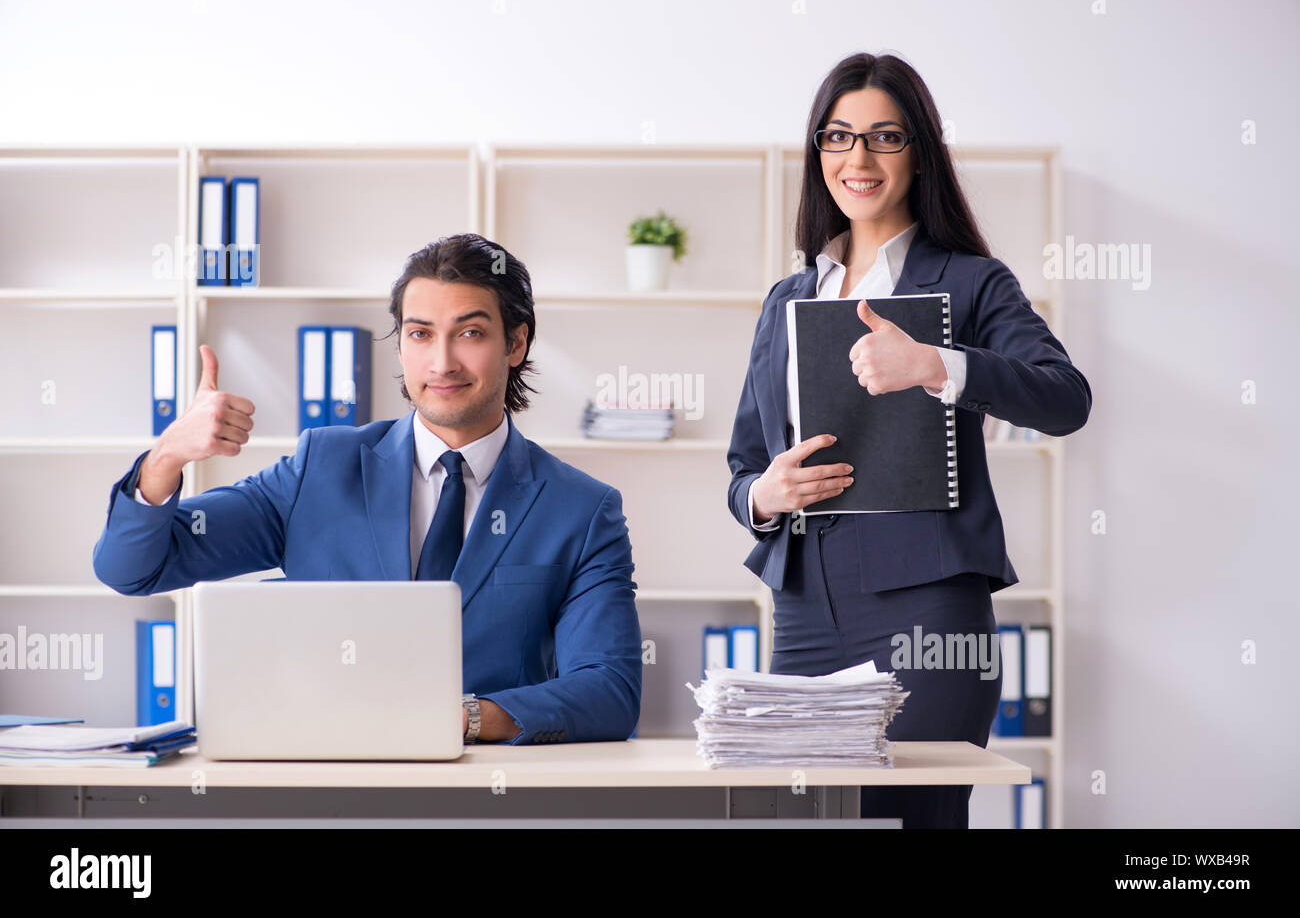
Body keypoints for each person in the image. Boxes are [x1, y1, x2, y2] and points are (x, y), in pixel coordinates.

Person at [726, 52, 1091, 827]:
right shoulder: (787, 298)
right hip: (802, 612)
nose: (857, 159)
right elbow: (744, 463)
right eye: (838, 137)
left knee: (916, 818)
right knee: (797, 817)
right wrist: (763, 495)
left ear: (918, 150)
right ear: (818, 151)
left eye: (884, 137)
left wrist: (936, 363)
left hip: (926, 613)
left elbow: (1066, 399)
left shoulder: (970, 281)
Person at [93, 234, 642, 746]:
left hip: (485, 791)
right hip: (328, 781)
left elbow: (609, 690)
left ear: (516, 342)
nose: (442, 362)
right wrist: (167, 456)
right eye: (420, 333)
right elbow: (133, 568)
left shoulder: (581, 509)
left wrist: (466, 717)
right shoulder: (322, 468)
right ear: (401, 345)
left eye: (470, 333)